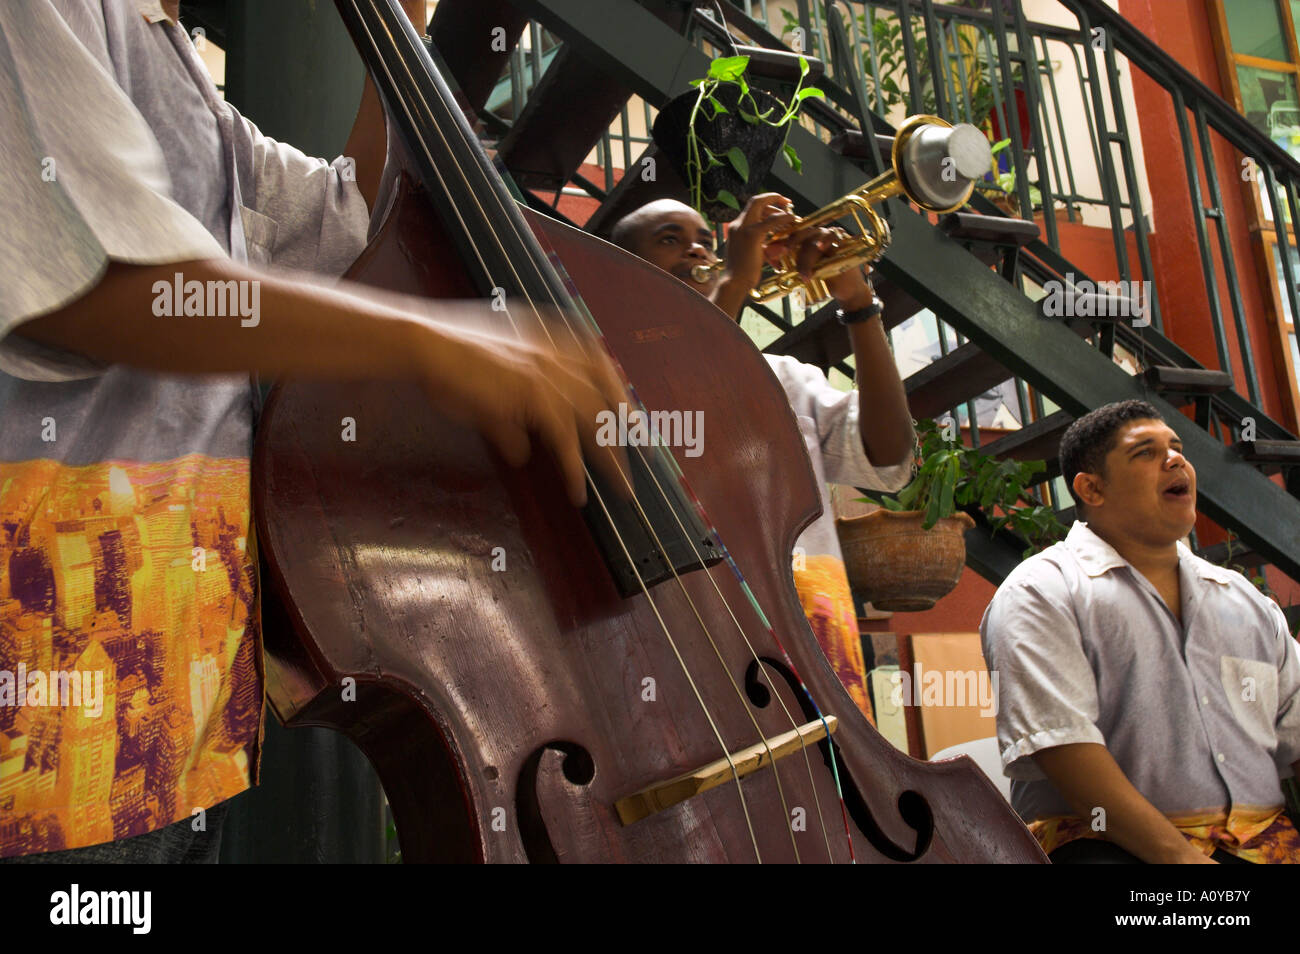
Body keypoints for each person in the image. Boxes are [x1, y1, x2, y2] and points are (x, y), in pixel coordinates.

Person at [0, 0, 625, 862]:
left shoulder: (170, 59)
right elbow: (108, 285)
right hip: (44, 738)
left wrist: (394, 33)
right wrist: (431, 344)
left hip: (177, 734)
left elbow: (341, 221)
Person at [610, 194, 915, 721]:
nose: (697, 251)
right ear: (619, 273)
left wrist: (857, 301)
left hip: (819, 643)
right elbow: (681, 424)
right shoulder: (606, 368)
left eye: (705, 240)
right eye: (669, 240)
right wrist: (734, 285)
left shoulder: (787, 377)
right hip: (696, 649)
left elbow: (887, 458)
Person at [980, 399, 1300, 863]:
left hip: (1266, 844)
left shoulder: (1246, 601)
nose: (1175, 459)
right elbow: (1066, 751)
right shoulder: (1041, 592)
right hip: (1107, 846)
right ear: (1091, 488)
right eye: (1145, 453)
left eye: (1176, 447)